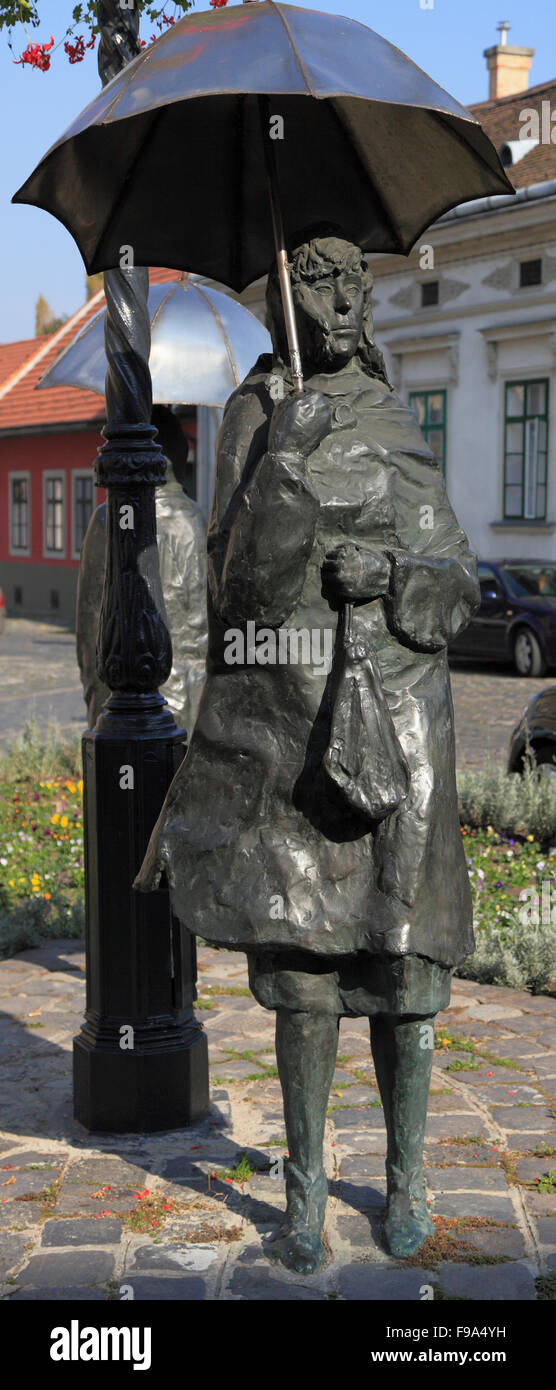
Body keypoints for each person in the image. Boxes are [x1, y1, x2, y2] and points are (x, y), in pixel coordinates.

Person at [135, 234, 480, 1274]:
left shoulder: (389, 413)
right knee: (306, 980)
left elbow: (455, 575)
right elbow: (231, 587)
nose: (335, 295)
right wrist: (281, 454)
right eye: (314, 276)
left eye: (346, 276)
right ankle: (305, 1191)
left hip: (399, 718)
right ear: (283, 295)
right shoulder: (256, 411)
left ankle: (408, 1182)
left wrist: (396, 571)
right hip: (286, 725)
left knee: (401, 967)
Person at [76, 405, 208, 736]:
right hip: (198, 700)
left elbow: (90, 625)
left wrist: (96, 703)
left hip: (130, 709)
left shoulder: (109, 520)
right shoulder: (202, 520)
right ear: (182, 453)